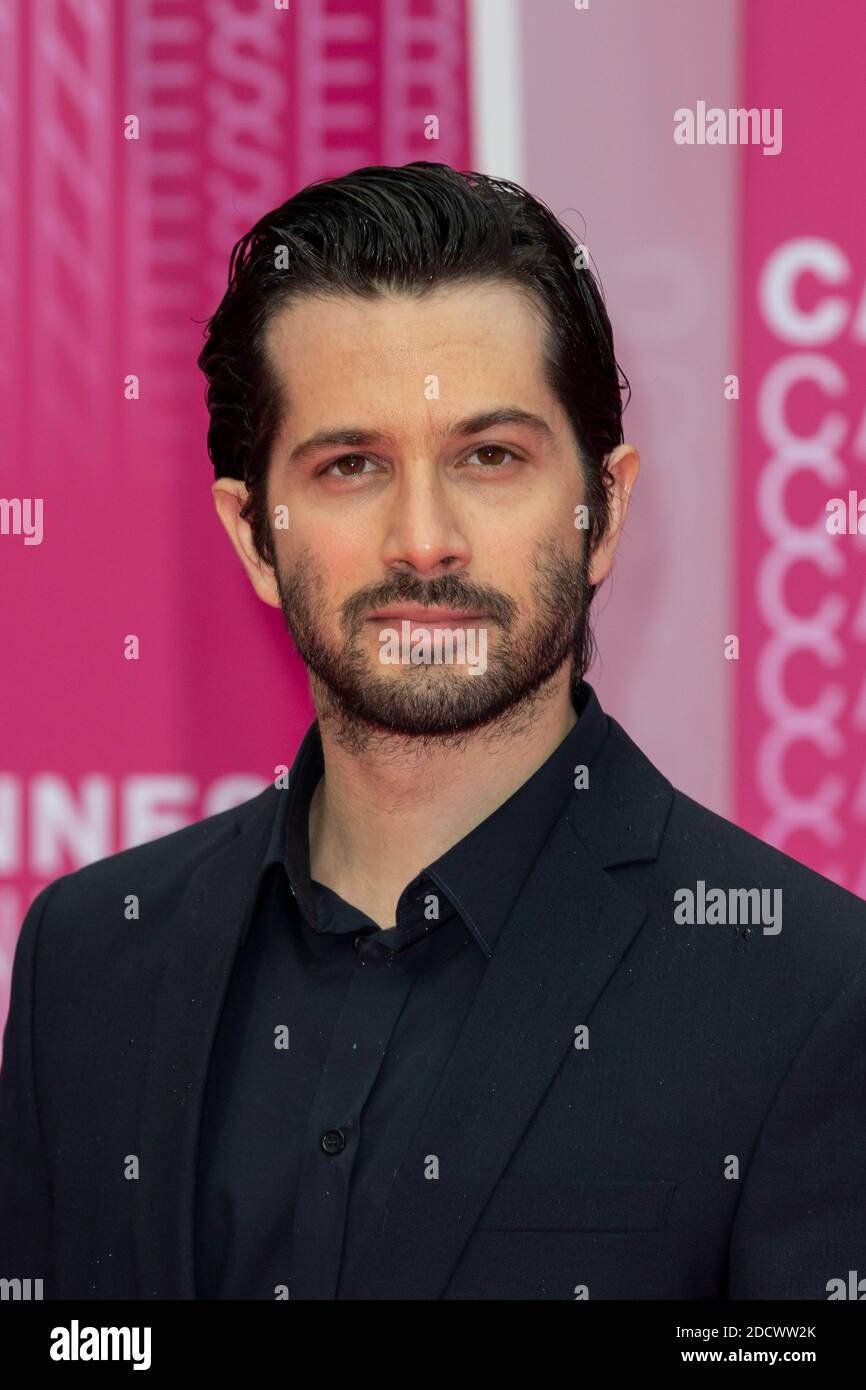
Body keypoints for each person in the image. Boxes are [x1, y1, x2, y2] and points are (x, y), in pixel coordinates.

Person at [1, 162, 865, 1301]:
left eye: (488, 457)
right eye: (351, 465)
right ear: (254, 533)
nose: (423, 540)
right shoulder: (89, 957)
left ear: (599, 509)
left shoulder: (807, 990)